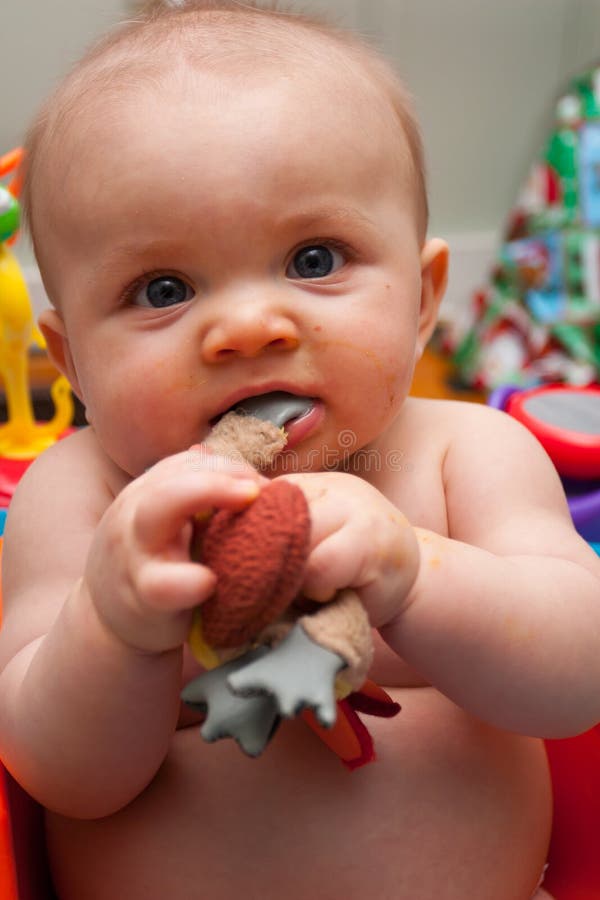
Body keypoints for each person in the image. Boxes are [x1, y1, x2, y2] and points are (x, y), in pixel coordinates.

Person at [0, 2, 599, 897]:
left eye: (315, 259)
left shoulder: (463, 454)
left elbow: (578, 678)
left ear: (423, 298)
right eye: (163, 287)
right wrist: (115, 626)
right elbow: (59, 777)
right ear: (72, 358)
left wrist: (420, 578)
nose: (246, 328)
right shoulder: (82, 499)